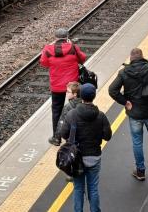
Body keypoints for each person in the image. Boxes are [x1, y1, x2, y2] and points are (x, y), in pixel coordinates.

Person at [108, 48, 148, 182]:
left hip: (135, 114)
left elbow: (112, 90)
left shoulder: (124, 72)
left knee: (137, 143)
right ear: (143, 57)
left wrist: (125, 102)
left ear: (130, 58)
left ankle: (140, 171)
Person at [59, 83, 112, 212]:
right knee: (93, 188)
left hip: (77, 159)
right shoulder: (100, 115)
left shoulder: (72, 114)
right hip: (94, 156)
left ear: (81, 96)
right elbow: (108, 136)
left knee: (78, 188)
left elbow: (63, 134)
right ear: (94, 96)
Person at [40, 28, 87, 146]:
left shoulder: (47, 49)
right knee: (75, 108)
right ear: (67, 37)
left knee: (57, 110)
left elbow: (44, 63)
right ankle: (76, 134)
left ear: (55, 38)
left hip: (56, 86)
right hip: (72, 86)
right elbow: (83, 59)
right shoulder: (73, 47)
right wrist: (72, 45)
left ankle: (56, 138)